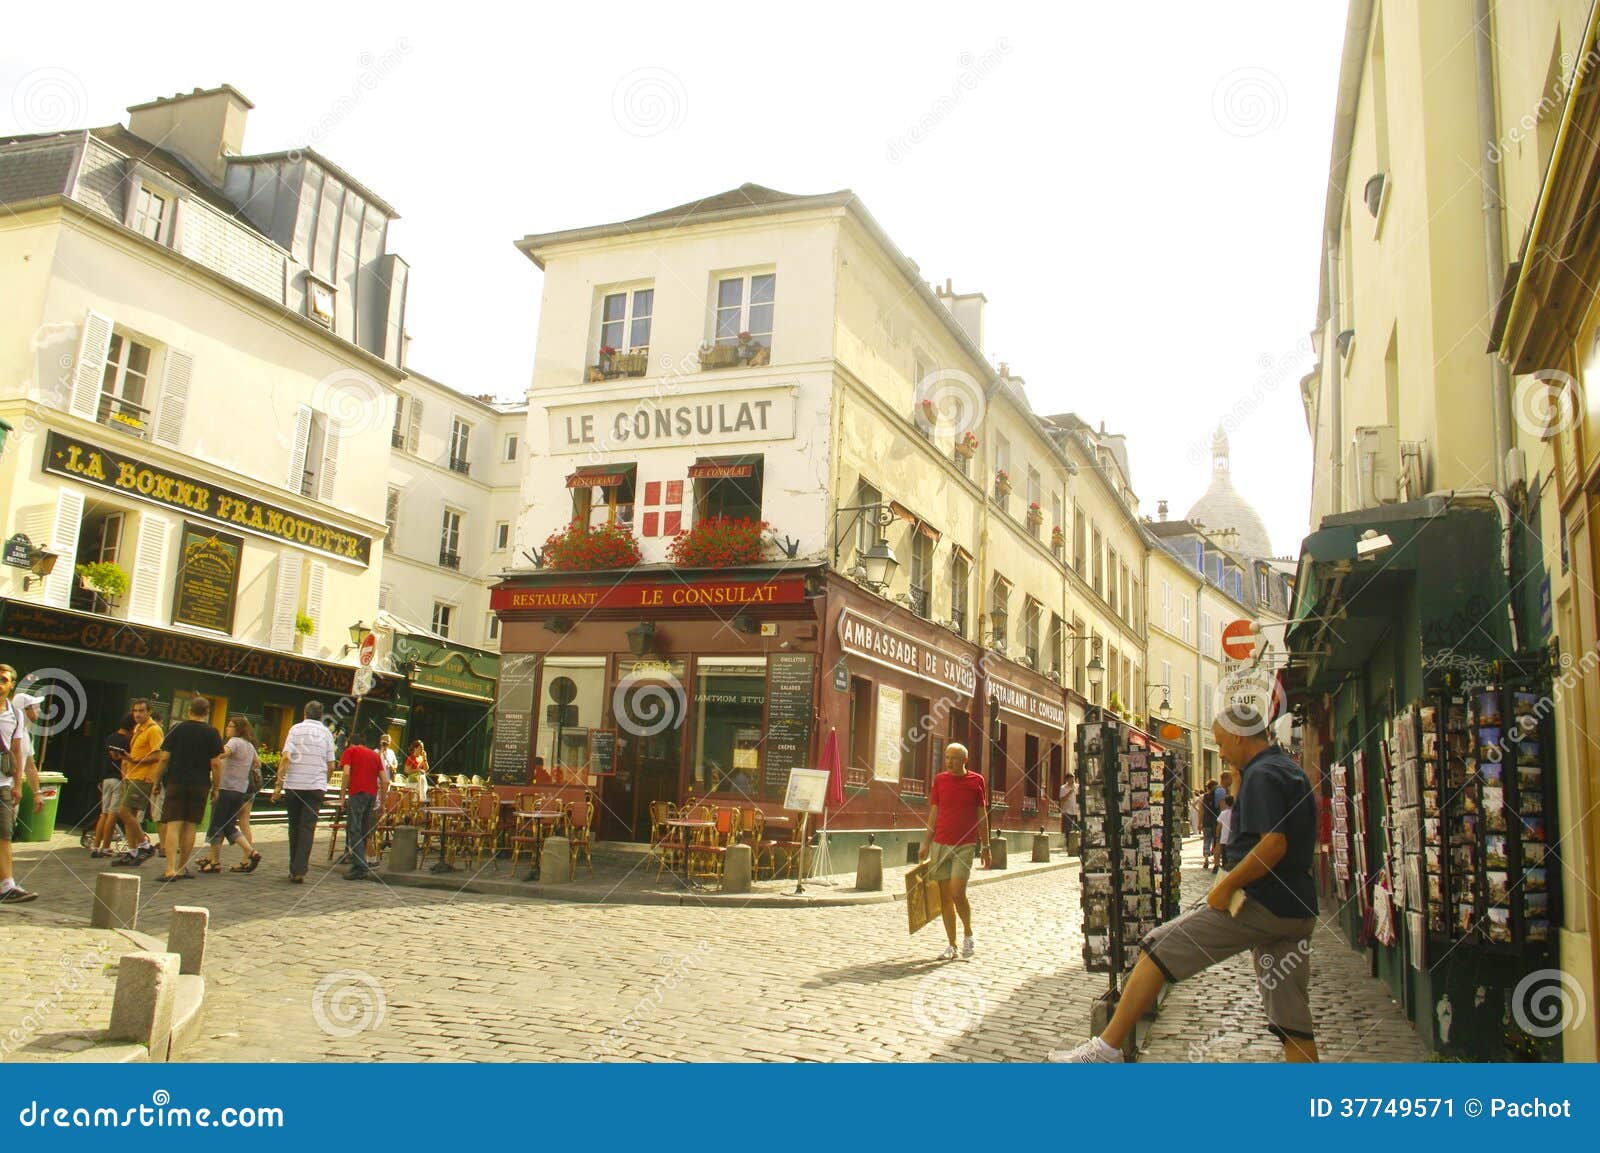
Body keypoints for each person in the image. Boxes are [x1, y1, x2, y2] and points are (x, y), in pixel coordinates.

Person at [1049, 704, 1320, 1063]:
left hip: (1260, 902)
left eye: (1222, 743)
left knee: (1156, 950)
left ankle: (1105, 1050)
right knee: (1292, 1022)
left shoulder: (1264, 774)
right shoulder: (1287, 769)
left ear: (1239, 736)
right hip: (1297, 909)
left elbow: (1273, 844)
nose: (1220, 752)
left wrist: (1224, 887)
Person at [917, 742, 992, 960]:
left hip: (965, 845)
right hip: (940, 843)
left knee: (957, 892)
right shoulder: (940, 780)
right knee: (944, 898)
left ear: (964, 760)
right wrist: (925, 842)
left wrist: (986, 845)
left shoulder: (976, 781)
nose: (949, 761)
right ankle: (952, 944)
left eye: (954, 758)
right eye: (947, 758)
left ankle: (968, 933)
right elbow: (934, 812)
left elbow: (981, 815)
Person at [153, 697, 224, 882]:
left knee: (173, 825)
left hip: (176, 781)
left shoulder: (177, 728)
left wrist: (156, 781)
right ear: (207, 712)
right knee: (191, 825)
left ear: (189, 710)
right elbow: (216, 763)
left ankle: (169, 869)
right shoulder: (212, 732)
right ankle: (183, 867)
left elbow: (164, 758)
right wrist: (216, 787)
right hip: (200, 783)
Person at [274, 701, 336, 883]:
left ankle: (294, 867)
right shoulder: (326, 733)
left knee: (294, 827)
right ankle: (300, 869)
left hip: (294, 785)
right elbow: (331, 765)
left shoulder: (295, 729)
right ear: (321, 715)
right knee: (307, 828)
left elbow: (286, 758)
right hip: (315, 786)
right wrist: (323, 781)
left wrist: (278, 784)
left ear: (305, 713)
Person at [0, 663, 43, 903]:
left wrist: (18, 785)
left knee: (4, 834)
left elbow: (18, 751)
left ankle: (7, 885)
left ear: (11, 684)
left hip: (3, 783)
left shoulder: (15, 715)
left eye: (4, 680)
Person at [202, 716, 261, 874]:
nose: (227, 728)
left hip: (226, 788)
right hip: (240, 790)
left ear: (238, 729)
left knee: (218, 825)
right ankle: (247, 853)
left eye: (230, 726)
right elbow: (258, 763)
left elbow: (223, 754)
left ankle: (246, 853)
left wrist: (213, 754)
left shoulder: (234, 742)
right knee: (227, 825)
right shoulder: (249, 746)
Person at [112, 699, 163, 865]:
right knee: (130, 816)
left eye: (141, 711)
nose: (138, 714)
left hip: (143, 777)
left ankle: (145, 845)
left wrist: (135, 759)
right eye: (135, 711)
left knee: (123, 812)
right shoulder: (138, 728)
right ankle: (132, 851)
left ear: (149, 712)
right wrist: (127, 760)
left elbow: (158, 755)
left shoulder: (154, 730)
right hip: (132, 775)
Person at [338, 738, 390, 880]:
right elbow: (385, 780)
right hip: (371, 795)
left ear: (350, 742)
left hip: (357, 792)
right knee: (363, 829)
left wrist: (342, 796)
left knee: (353, 829)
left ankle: (360, 866)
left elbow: (347, 773)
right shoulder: (375, 755)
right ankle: (359, 862)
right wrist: (383, 803)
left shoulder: (350, 751)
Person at [91, 714, 134, 858]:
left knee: (104, 813)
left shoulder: (110, 737)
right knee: (113, 813)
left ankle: (96, 845)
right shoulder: (128, 740)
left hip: (106, 779)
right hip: (118, 778)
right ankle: (106, 846)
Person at [1199, 777, 1220, 869]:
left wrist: (1199, 823)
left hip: (1206, 822)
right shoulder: (1218, 797)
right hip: (1216, 822)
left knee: (1206, 840)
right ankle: (1216, 862)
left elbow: (1201, 811)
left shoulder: (1203, 797)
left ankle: (1206, 859)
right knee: (1216, 841)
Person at [1215, 794, 1235, 874]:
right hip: (1232, 838)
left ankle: (1225, 871)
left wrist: (1217, 836)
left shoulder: (1223, 813)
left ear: (1226, 803)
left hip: (1224, 839)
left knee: (1224, 857)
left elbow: (1219, 826)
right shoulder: (1235, 813)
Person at [1059, 772, 1079, 846]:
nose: (1072, 780)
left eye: (1073, 778)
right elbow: (1062, 800)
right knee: (1068, 830)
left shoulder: (1078, 787)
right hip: (1068, 811)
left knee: (1078, 828)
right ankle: (1069, 846)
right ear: (1067, 779)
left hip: (1077, 811)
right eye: (1070, 778)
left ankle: (1078, 845)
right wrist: (1069, 793)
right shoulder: (1063, 788)